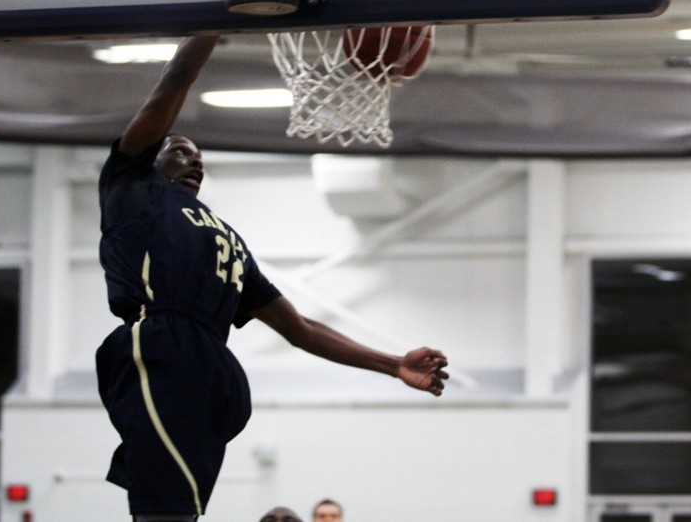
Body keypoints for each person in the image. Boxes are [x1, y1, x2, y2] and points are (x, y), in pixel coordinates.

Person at [94, 35, 450, 522]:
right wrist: (206, 31)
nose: (194, 159)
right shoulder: (130, 187)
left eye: (199, 155)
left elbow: (300, 330)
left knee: (181, 508)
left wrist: (392, 364)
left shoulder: (226, 237)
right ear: (150, 156)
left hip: (213, 367)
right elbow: (171, 87)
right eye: (179, 149)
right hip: (162, 346)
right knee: (163, 509)